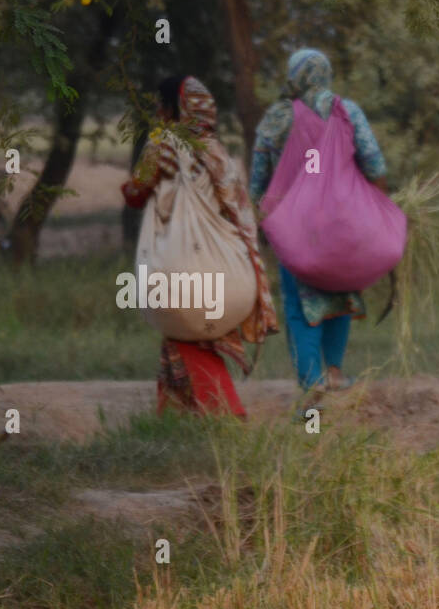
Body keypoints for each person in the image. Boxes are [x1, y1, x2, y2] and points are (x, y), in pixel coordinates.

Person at [122, 75, 278, 417]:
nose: (158, 113)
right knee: (186, 335)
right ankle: (175, 419)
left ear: (171, 110)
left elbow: (136, 193)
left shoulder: (162, 143)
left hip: (184, 275)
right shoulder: (218, 151)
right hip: (233, 278)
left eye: (160, 106)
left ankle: (228, 415)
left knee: (185, 331)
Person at [250, 48, 389, 398]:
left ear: (293, 76)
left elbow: (257, 183)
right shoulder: (346, 111)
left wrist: (260, 218)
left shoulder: (277, 117)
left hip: (294, 227)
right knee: (340, 293)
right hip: (342, 223)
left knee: (300, 303)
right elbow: (375, 165)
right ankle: (335, 372)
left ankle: (312, 382)